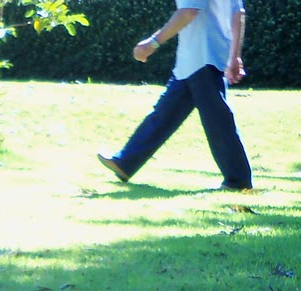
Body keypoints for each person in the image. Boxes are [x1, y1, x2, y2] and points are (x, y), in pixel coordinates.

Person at [98, 0, 253, 191]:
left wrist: (152, 43)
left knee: (218, 121)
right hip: (199, 58)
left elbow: (189, 11)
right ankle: (125, 163)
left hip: (201, 58)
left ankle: (238, 181)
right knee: (164, 115)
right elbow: (238, 13)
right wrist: (235, 55)